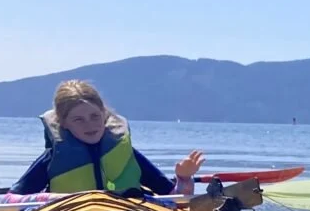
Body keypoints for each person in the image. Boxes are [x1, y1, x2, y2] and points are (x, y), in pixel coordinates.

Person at [12, 80, 203, 196]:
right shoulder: (53, 158)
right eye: (79, 119)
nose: (90, 124)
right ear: (64, 124)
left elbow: (175, 197)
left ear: (104, 115)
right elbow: (11, 199)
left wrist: (184, 178)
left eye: (95, 116)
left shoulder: (125, 153)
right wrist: (50, 200)